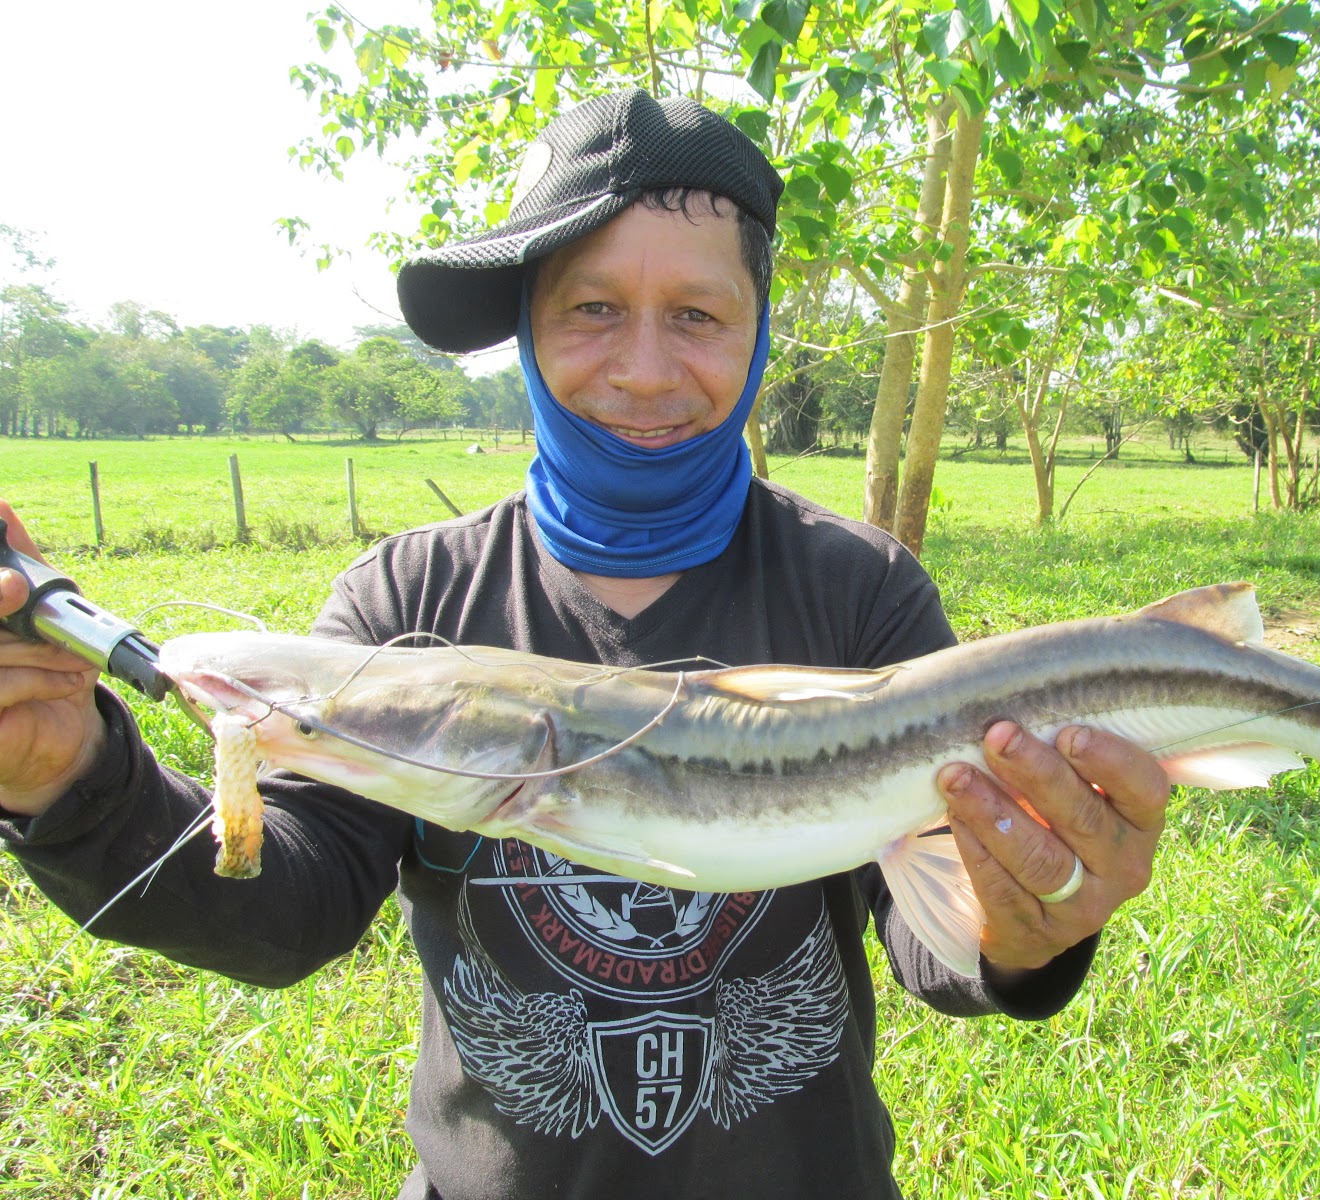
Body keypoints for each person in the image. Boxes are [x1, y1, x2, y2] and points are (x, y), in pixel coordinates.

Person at [0, 90, 1168, 1198]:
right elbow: (285, 909)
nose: (646, 370)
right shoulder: (410, 598)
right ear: (525, 330)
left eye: (698, 316)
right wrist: (72, 780)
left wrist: (1030, 922)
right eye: (591, 308)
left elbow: (933, 929)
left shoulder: (856, 592)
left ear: (759, 335)